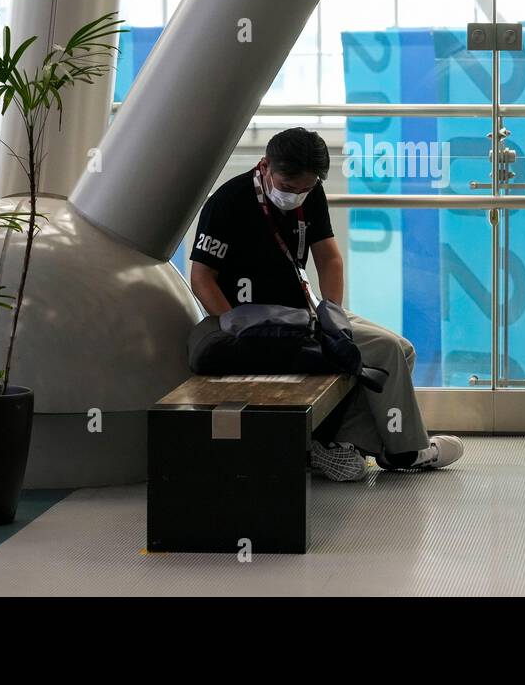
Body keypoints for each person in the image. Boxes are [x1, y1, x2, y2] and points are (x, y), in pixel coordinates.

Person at [189, 127, 464, 481]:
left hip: (304, 313)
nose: (296, 195)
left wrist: (331, 313)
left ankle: (338, 444)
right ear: (265, 166)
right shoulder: (229, 203)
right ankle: (404, 452)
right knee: (386, 350)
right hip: (263, 327)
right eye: (288, 188)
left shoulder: (310, 194)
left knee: (403, 349)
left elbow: (329, 259)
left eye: (305, 188)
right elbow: (202, 278)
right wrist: (236, 327)